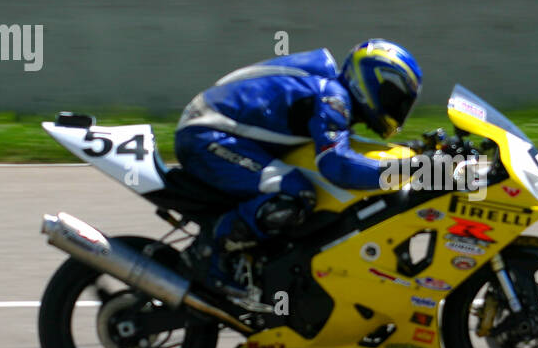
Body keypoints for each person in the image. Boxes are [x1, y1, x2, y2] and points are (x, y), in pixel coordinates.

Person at [174, 39, 422, 291]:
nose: (399, 106)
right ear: (370, 81)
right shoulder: (332, 96)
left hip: (217, 132)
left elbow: (351, 148)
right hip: (207, 136)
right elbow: (337, 166)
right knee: (295, 190)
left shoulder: (331, 93)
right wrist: (411, 168)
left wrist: (416, 151)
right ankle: (208, 255)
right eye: (396, 97)